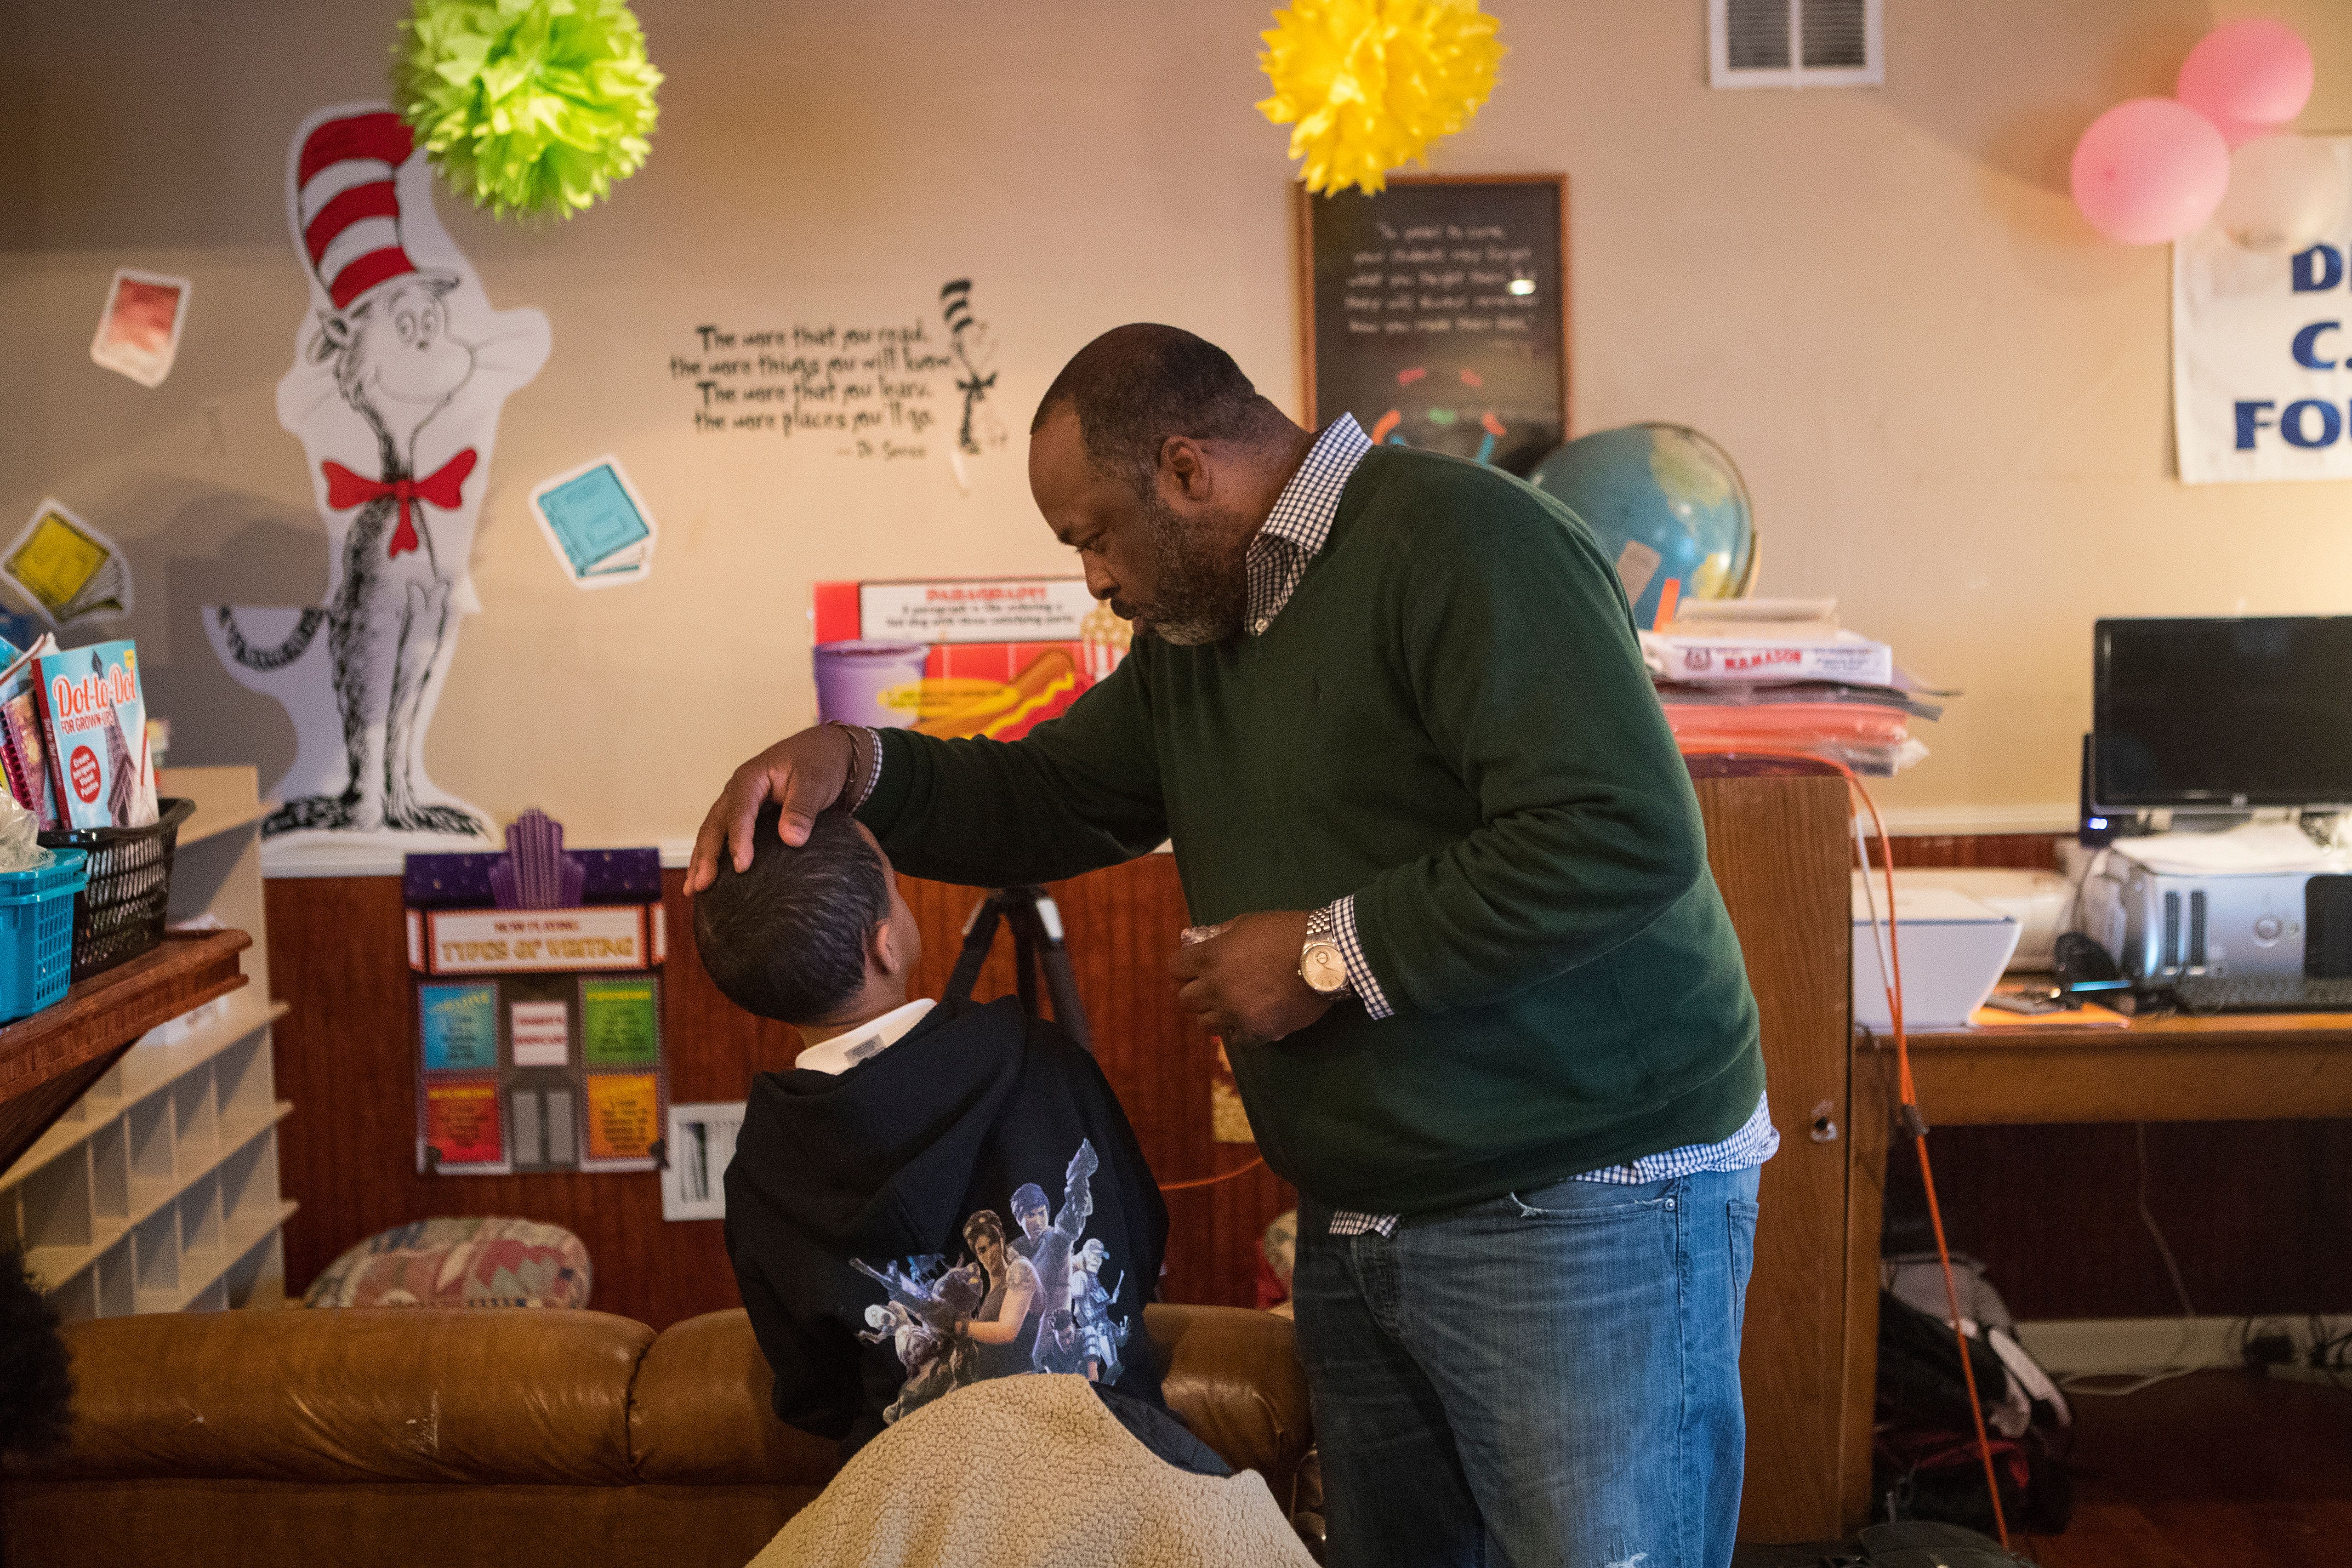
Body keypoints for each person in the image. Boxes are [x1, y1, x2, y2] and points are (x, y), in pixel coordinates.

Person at [690, 323, 1774, 1568]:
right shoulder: (1200, 642)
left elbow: (1620, 833)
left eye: (1093, 532)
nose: (1094, 577)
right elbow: (1048, 796)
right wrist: (857, 762)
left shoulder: (1464, 541)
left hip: (1577, 1196)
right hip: (1366, 1211)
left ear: (1188, 470)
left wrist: (1323, 953)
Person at [700, 803, 1202, 1464]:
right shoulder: (1042, 1063)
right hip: (1105, 1469)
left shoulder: (761, 1166)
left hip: (907, 1500)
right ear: (883, 942)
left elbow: (812, 1392)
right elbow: (1139, 1243)